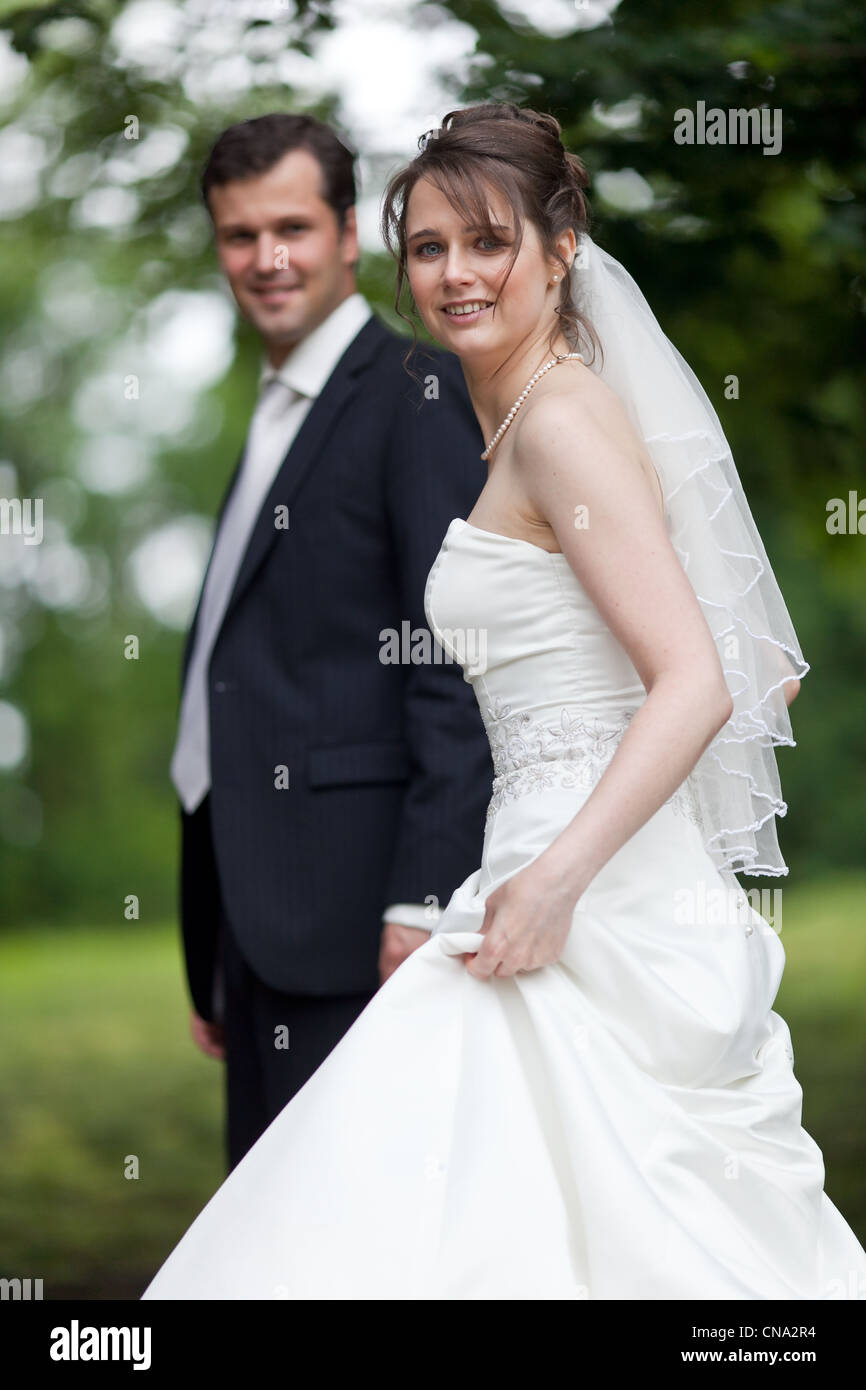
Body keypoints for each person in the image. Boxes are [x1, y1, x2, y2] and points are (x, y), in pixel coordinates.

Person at [143, 103, 866, 1299]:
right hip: (528, 865)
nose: (454, 275)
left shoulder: (565, 423)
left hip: (582, 898)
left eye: (486, 242)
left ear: (560, 243)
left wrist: (554, 881)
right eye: (427, 247)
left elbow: (693, 681)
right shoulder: (514, 421)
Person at [169, 112, 492, 1172]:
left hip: (363, 923)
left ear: (347, 233)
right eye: (238, 234)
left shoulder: (415, 393)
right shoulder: (271, 411)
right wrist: (213, 942)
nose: (267, 259)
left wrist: (420, 897)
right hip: (253, 926)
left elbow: (453, 662)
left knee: (352, 1246)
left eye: (293, 228)